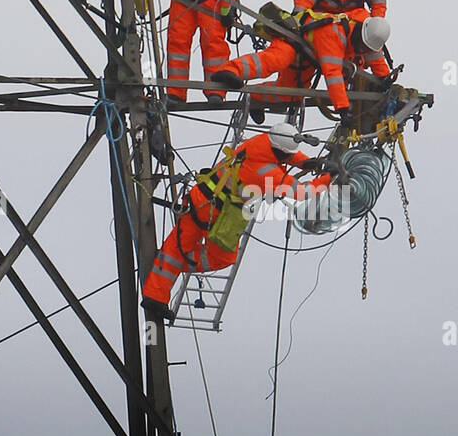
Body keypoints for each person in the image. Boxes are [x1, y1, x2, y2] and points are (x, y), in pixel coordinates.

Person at [141, 123, 332, 323]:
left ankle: (158, 289)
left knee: (176, 251)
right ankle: (166, 274)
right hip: (214, 213)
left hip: (202, 200)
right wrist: (328, 179)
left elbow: (286, 154)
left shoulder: (260, 143)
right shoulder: (265, 172)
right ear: (280, 152)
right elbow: (302, 192)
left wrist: (308, 162)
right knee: (215, 257)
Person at [212, 14, 391, 127]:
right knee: (275, 60)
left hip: (307, 59)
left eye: (364, 49)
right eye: (360, 46)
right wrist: (343, 110)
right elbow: (333, 75)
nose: (361, 50)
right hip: (293, 42)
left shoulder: (367, 35)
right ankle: (230, 71)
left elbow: (374, 55)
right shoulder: (335, 35)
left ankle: (255, 97)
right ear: (359, 33)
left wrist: (384, 78)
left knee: (289, 95)